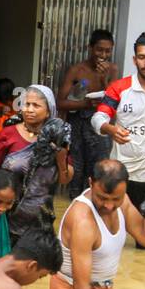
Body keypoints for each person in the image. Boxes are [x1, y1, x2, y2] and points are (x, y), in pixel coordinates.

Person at [49, 159, 145, 289]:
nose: (110, 206)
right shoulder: (82, 220)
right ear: (90, 183)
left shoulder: (124, 201)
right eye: (102, 198)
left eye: (116, 199)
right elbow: (81, 288)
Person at [91, 31, 145, 248]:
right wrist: (109, 128)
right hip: (122, 175)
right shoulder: (119, 88)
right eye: (142, 57)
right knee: (109, 240)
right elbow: (98, 117)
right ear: (134, 60)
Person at [0, 84, 70, 245]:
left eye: (36, 105)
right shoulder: (8, 133)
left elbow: (64, 179)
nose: (29, 109)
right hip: (5, 215)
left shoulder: (59, 137)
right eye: (26, 104)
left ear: (48, 111)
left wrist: (60, 156)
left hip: (40, 220)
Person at [57, 29, 119, 195]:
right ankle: (76, 202)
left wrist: (104, 79)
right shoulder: (77, 70)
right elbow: (60, 102)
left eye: (108, 51)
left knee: (99, 166)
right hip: (77, 122)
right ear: (90, 48)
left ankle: (96, 203)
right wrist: (84, 104)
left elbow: (115, 101)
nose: (103, 55)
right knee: (76, 165)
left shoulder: (112, 70)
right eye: (99, 50)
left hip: (100, 124)